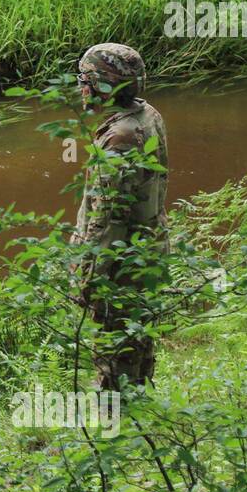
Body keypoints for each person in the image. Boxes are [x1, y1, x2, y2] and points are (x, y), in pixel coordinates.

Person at [70, 43, 169, 390]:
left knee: (114, 355)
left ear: (104, 86)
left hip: (120, 267)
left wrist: (89, 278)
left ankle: (117, 427)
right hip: (148, 252)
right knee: (138, 342)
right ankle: (141, 419)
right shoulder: (148, 115)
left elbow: (108, 219)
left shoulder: (120, 138)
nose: (81, 88)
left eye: (86, 80)